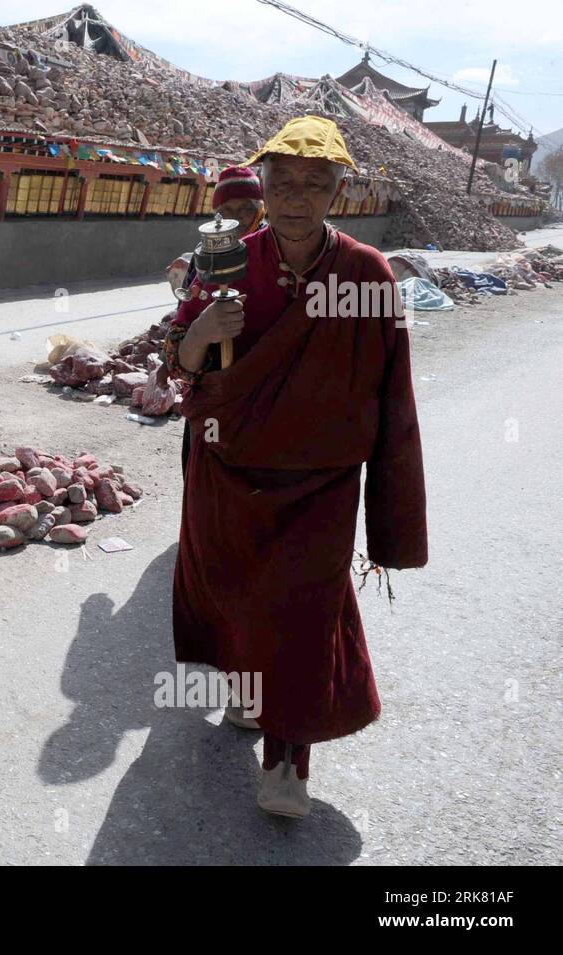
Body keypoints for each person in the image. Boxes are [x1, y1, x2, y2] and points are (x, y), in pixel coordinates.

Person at [161, 116, 428, 818]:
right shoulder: (224, 260)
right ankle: (250, 701)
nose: (298, 198)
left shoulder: (367, 275)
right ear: (264, 188)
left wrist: (394, 519)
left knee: (303, 622)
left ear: (339, 190)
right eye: (284, 183)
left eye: (316, 184)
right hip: (230, 473)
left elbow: (393, 396)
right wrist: (196, 338)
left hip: (320, 487)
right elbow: (170, 359)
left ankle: (287, 762)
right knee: (240, 603)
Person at [174, 166, 266, 478]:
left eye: (246, 209)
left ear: (261, 209)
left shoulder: (276, 252)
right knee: (203, 480)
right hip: (209, 393)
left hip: (261, 402)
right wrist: (198, 334)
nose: (237, 219)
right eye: (227, 210)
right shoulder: (203, 259)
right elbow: (182, 325)